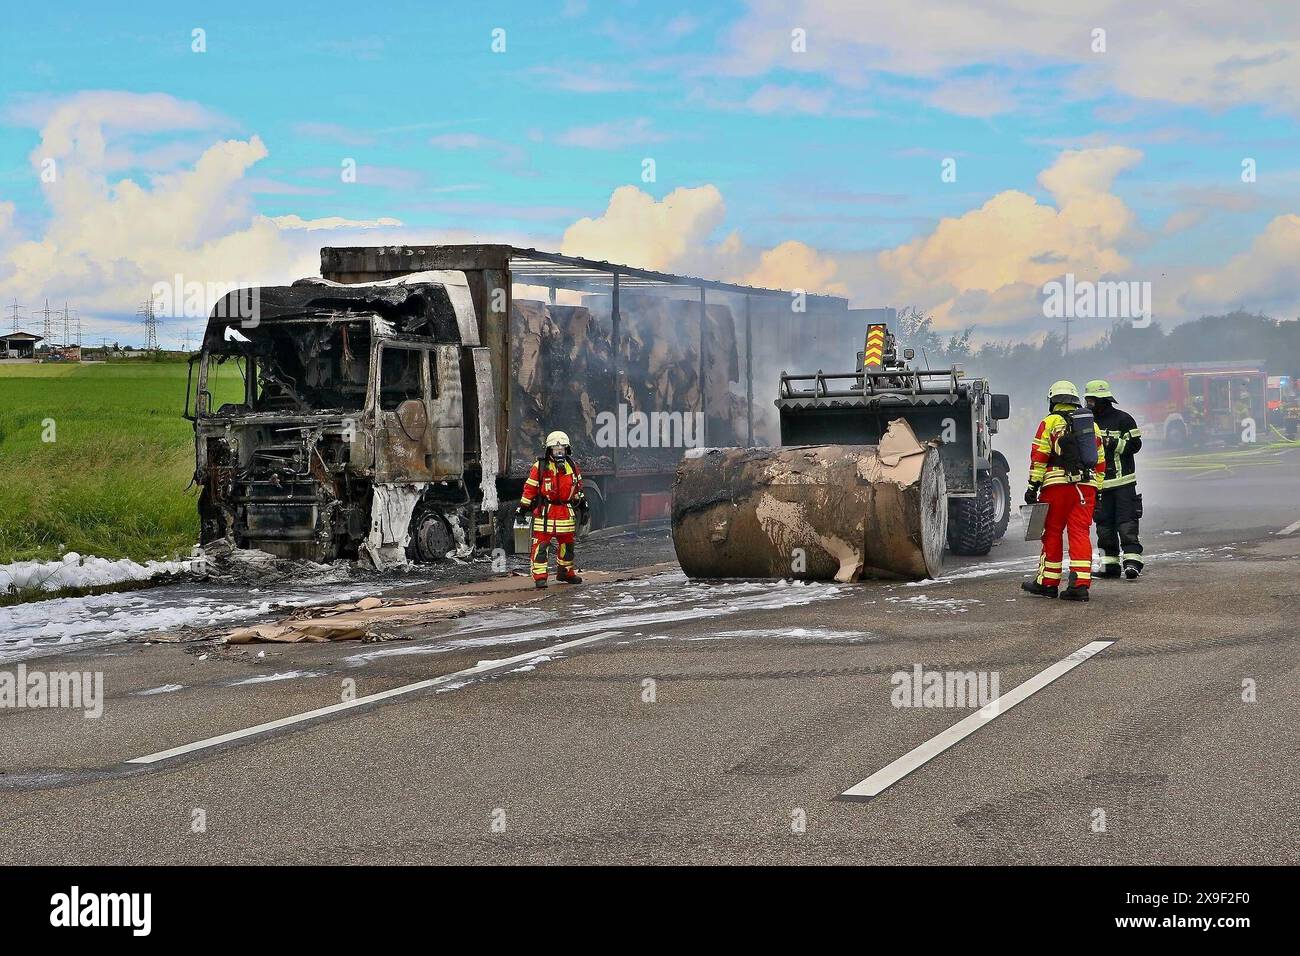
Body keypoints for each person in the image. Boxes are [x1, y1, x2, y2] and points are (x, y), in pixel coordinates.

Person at [1022, 381, 1106, 602]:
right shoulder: (1091, 426)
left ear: (1053, 401)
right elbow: (1100, 462)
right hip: (1085, 487)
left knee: (1052, 532)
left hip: (1056, 486)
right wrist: (1097, 490)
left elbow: (1039, 456)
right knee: (1079, 533)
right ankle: (1080, 586)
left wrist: (1032, 486)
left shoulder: (1049, 422)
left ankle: (1048, 583)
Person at [1085, 380, 1144, 579]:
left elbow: (1135, 445)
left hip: (1123, 483)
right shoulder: (1086, 422)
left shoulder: (1124, 419)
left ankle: (1132, 563)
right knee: (1103, 526)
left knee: (1126, 523)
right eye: (1087, 400)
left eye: (1091, 400)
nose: (1088, 404)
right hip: (1099, 484)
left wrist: (1113, 442)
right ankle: (1109, 566)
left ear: (1102, 400)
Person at [516, 430, 587, 588]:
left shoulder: (572, 467)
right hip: (545, 512)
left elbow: (578, 489)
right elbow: (530, 489)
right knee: (541, 546)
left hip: (565, 511)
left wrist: (584, 506)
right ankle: (540, 577)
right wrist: (522, 509)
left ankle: (566, 573)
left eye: (562, 450)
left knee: (567, 545)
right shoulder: (539, 467)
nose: (559, 453)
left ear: (567, 449)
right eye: (556, 450)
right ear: (549, 450)